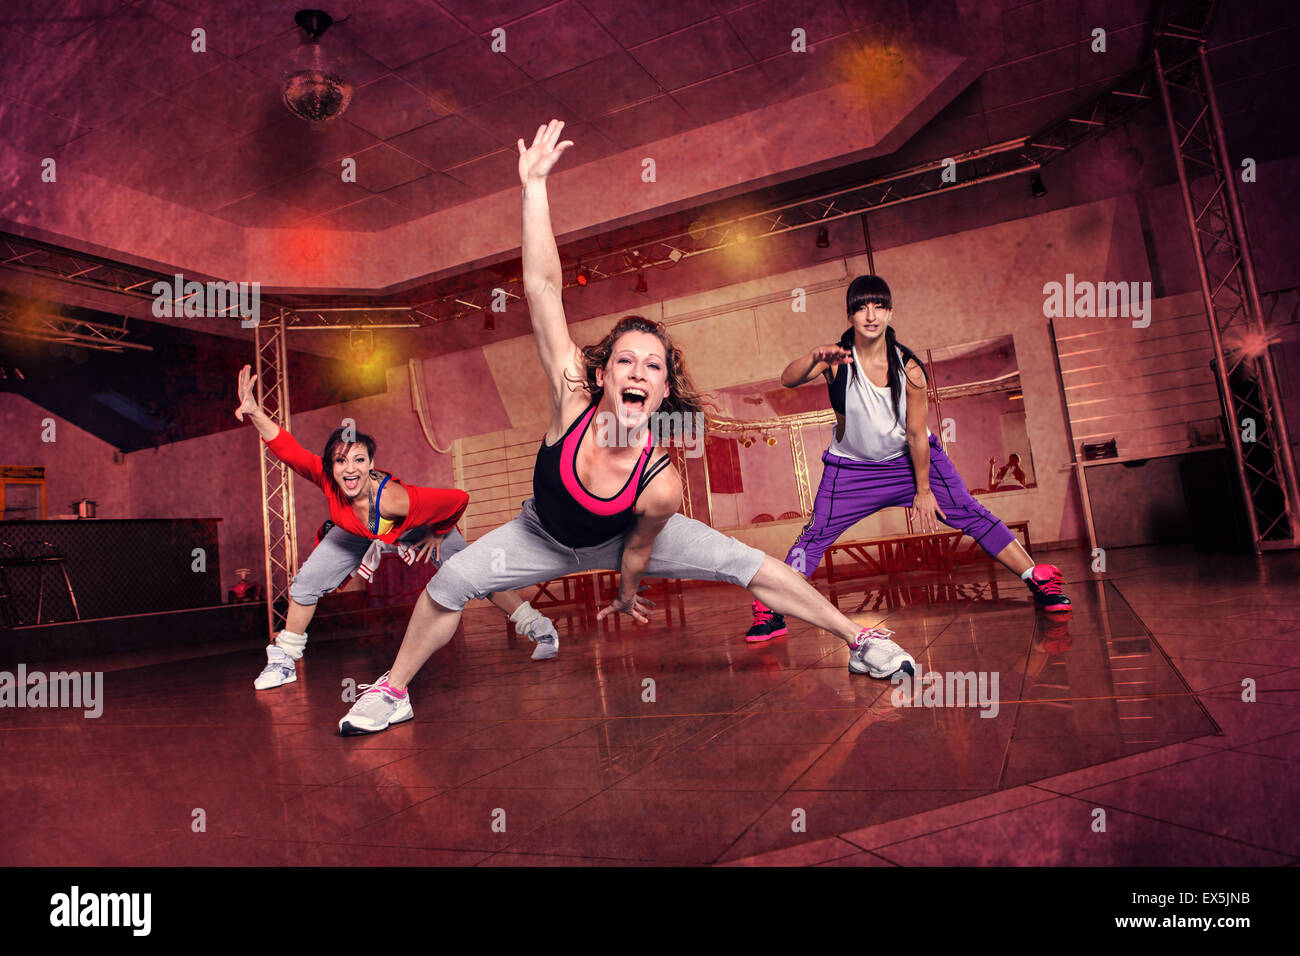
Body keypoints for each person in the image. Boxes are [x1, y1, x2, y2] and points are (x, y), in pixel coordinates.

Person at [336, 120, 916, 735]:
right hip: (540, 534)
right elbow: (541, 290)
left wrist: (625, 589)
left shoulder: (660, 482)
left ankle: (859, 639)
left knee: (753, 564)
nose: (638, 370)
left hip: (621, 538)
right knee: (449, 582)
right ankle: (394, 691)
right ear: (604, 375)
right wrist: (533, 188)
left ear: (663, 389)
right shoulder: (571, 400)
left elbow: (636, 550)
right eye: (625, 361)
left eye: (653, 365)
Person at [743, 274, 1072, 644]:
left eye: (879, 306)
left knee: (970, 512)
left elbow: (916, 434)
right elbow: (787, 380)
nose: (871, 314)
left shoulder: (909, 368)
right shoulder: (835, 360)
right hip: (851, 471)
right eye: (861, 307)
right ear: (850, 314)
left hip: (908, 462)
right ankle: (773, 609)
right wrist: (816, 355)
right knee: (815, 534)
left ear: (889, 311)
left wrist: (924, 489)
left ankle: (1038, 580)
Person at [233, 365, 561, 690]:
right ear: (330, 466)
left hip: (420, 528)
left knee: (475, 575)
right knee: (305, 583)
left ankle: (538, 626)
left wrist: (437, 532)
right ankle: (284, 660)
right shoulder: (326, 479)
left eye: (359, 460)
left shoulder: (394, 499)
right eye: (340, 460)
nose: (350, 469)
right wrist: (254, 411)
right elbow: (286, 447)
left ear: (371, 464)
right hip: (355, 531)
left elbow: (457, 498)